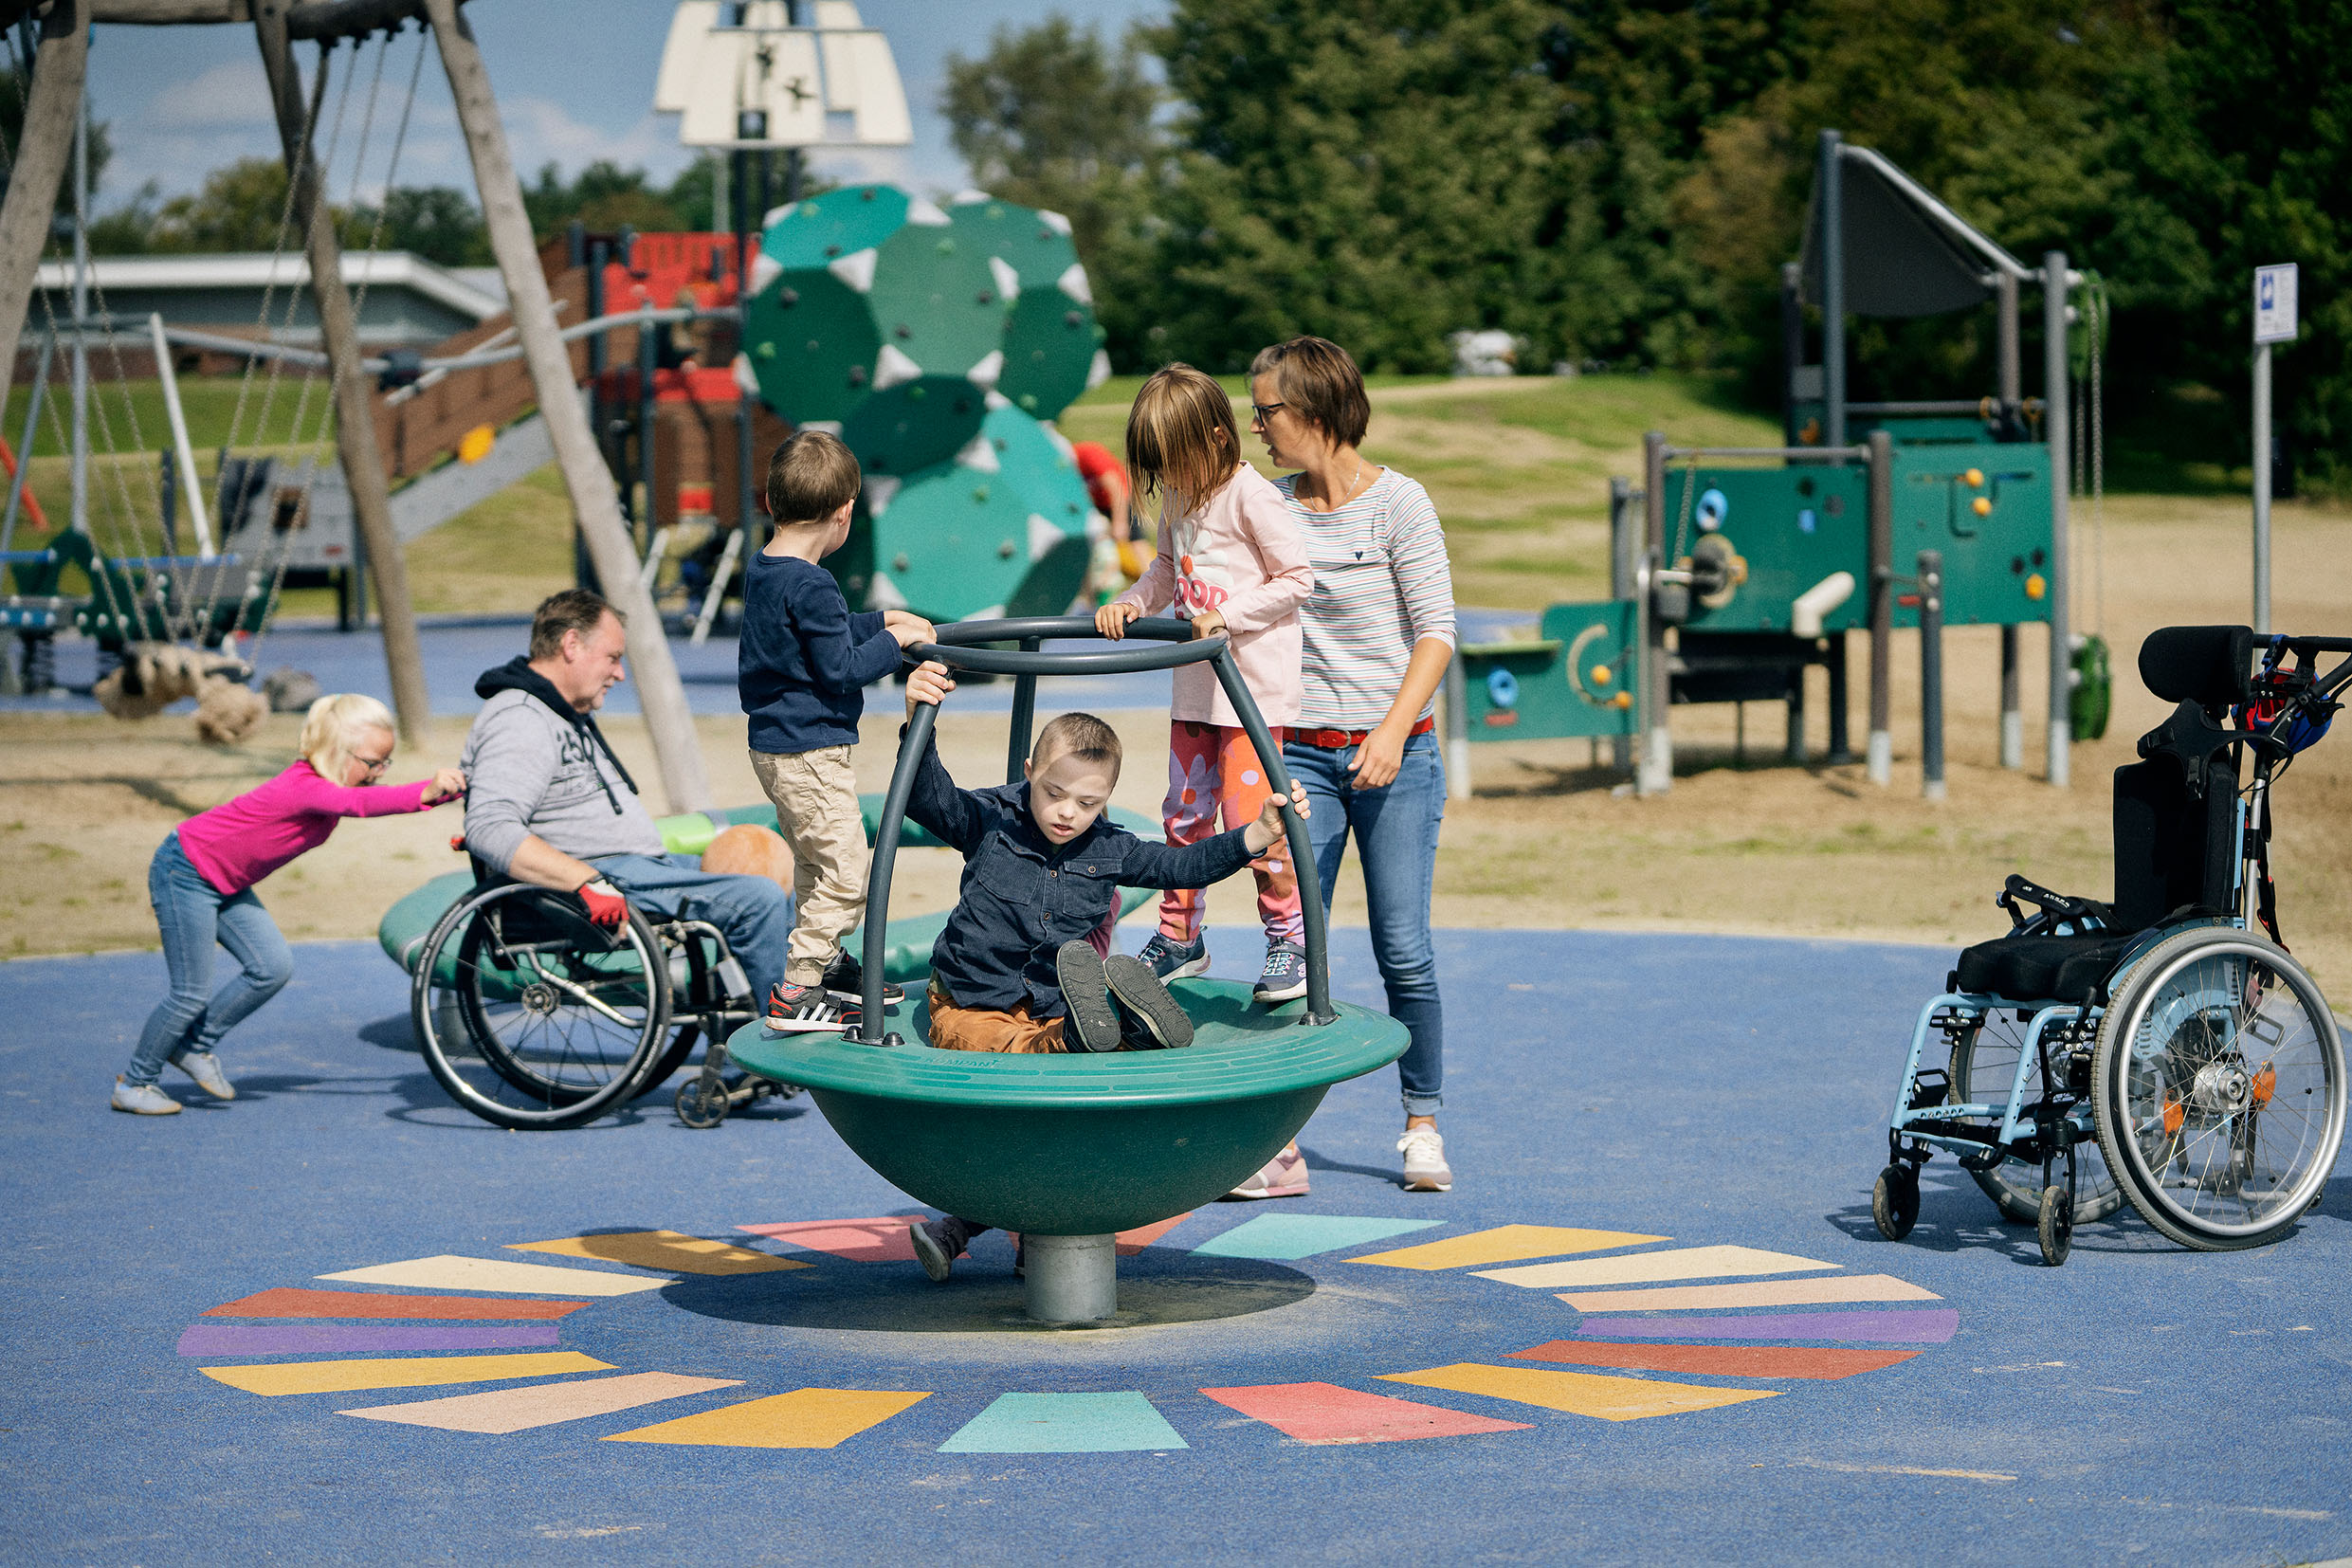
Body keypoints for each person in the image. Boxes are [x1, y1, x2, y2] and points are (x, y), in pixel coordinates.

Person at [893, 658, 1308, 1280]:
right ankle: (1101, 1033)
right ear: (1029, 773)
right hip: (970, 1004)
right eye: (1053, 794)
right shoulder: (991, 821)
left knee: (1057, 1119)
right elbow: (928, 797)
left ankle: (1119, 1027)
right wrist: (918, 720)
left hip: (1051, 1003)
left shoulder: (1106, 848)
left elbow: (1179, 868)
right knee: (1001, 1052)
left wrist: (1254, 835)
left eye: (1087, 803)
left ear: (1106, 800)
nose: (1066, 813)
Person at [1246, 336, 1458, 1196]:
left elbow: (1436, 632)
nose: (1255, 428)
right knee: (1297, 949)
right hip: (1301, 755)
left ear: (1317, 413)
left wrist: (1389, 731)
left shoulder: (1398, 504)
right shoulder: (1268, 505)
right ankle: (1280, 1145)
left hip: (1394, 754)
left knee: (1401, 948)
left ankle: (1421, 1123)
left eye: (1267, 412)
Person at [461, 589, 796, 1024]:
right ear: (571, 646)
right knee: (758, 897)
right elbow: (488, 827)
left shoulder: (559, 713)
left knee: (780, 876)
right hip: (601, 875)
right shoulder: (520, 719)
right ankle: (783, 1030)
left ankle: (771, 1001)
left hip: (637, 867)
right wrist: (586, 880)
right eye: (613, 657)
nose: (619, 674)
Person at [117, 694, 465, 1115]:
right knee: (190, 993)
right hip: (186, 871)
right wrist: (425, 790)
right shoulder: (307, 787)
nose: (379, 773)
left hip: (224, 881)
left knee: (272, 967)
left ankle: (194, 1047)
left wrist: (448, 793)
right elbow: (360, 804)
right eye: (373, 763)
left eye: (385, 763)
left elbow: (364, 797)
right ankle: (135, 1083)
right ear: (337, 751)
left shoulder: (328, 787)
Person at [1095, 363, 1314, 1005]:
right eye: (1158, 468)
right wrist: (1132, 603)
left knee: (1253, 819)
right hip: (1195, 691)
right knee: (1184, 817)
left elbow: (1296, 578)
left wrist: (1227, 617)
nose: (1170, 480)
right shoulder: (1180, 502)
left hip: (1251, 695)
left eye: (1176, 463)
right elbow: (1164, 573)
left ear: (1218, 438)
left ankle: (1288, 939)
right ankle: (1180, 935)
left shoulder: (1252, 497)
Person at [738, 428, 934, 1030]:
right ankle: (800, 986)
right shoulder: (814, 582)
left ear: (773, 504)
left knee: (814, 861)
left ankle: (826, 965)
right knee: (849, 871)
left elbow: (818, 633)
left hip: (774, 746)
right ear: (845, 512)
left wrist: (878, 619)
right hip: (811, 751)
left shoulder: (766, 569)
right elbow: (841, 669)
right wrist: (894, 641)